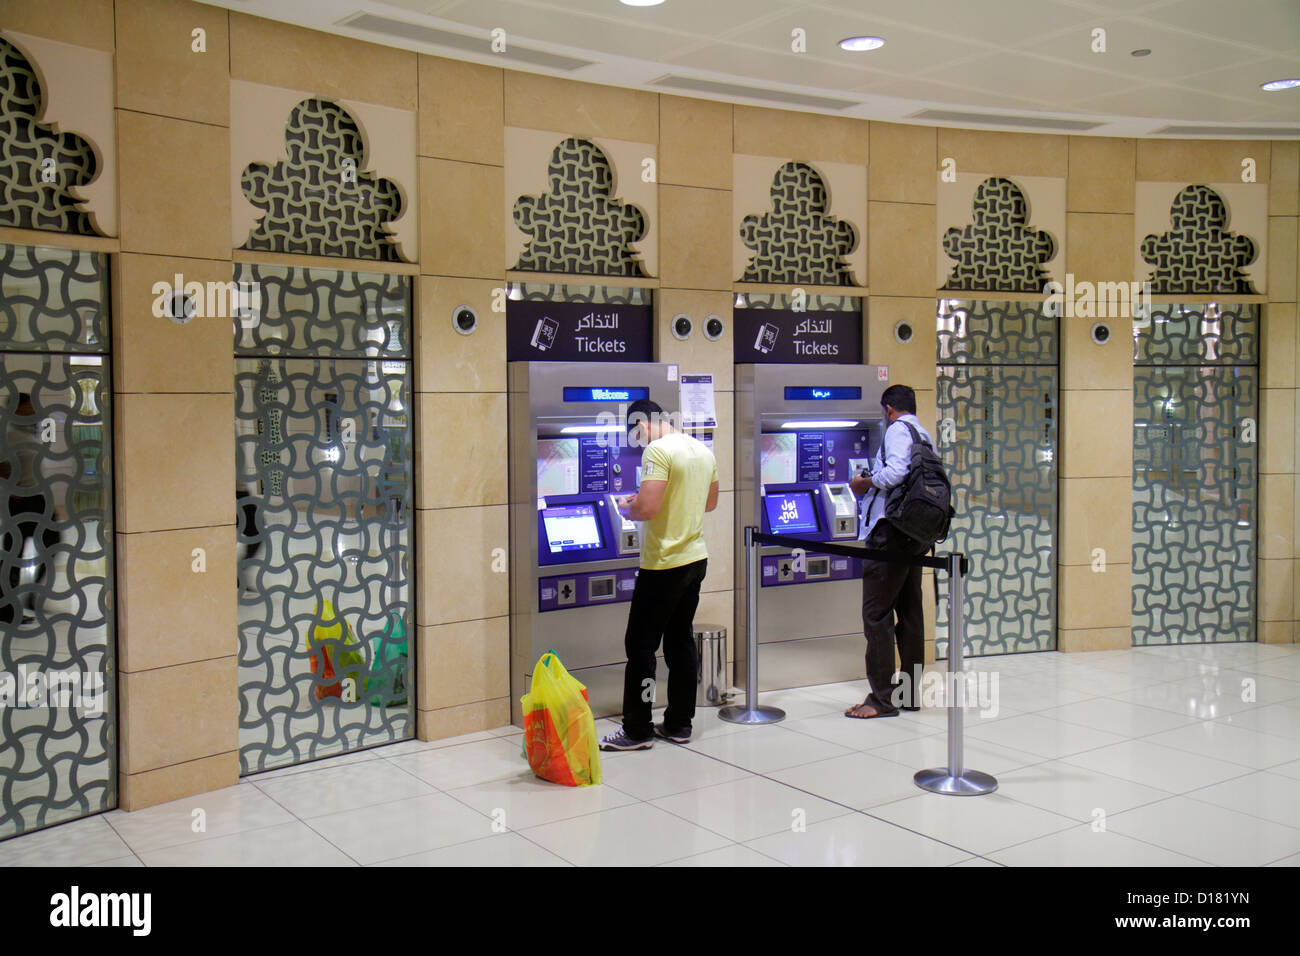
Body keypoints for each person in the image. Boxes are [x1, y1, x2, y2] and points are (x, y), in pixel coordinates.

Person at [599, 399, 718, 751]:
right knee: (680, 641)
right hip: (695, 559)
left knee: (640, 646)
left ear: (641, 425)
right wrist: (653, 499)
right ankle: (680, 723)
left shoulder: (658, 451)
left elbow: (647, 509)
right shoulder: (701, 449)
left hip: (664, 563)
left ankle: (637, 729)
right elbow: (709, 503)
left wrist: (629, 505)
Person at [845, 384, 934, 719]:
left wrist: (866, 483)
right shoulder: (924, 433)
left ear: (888, 409)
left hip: (890, 533)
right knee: (910, 613)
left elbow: (897, 471)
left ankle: (881, 699)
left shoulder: (897, 430)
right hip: (915, 534)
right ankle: (908, 694)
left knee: (877, 615)